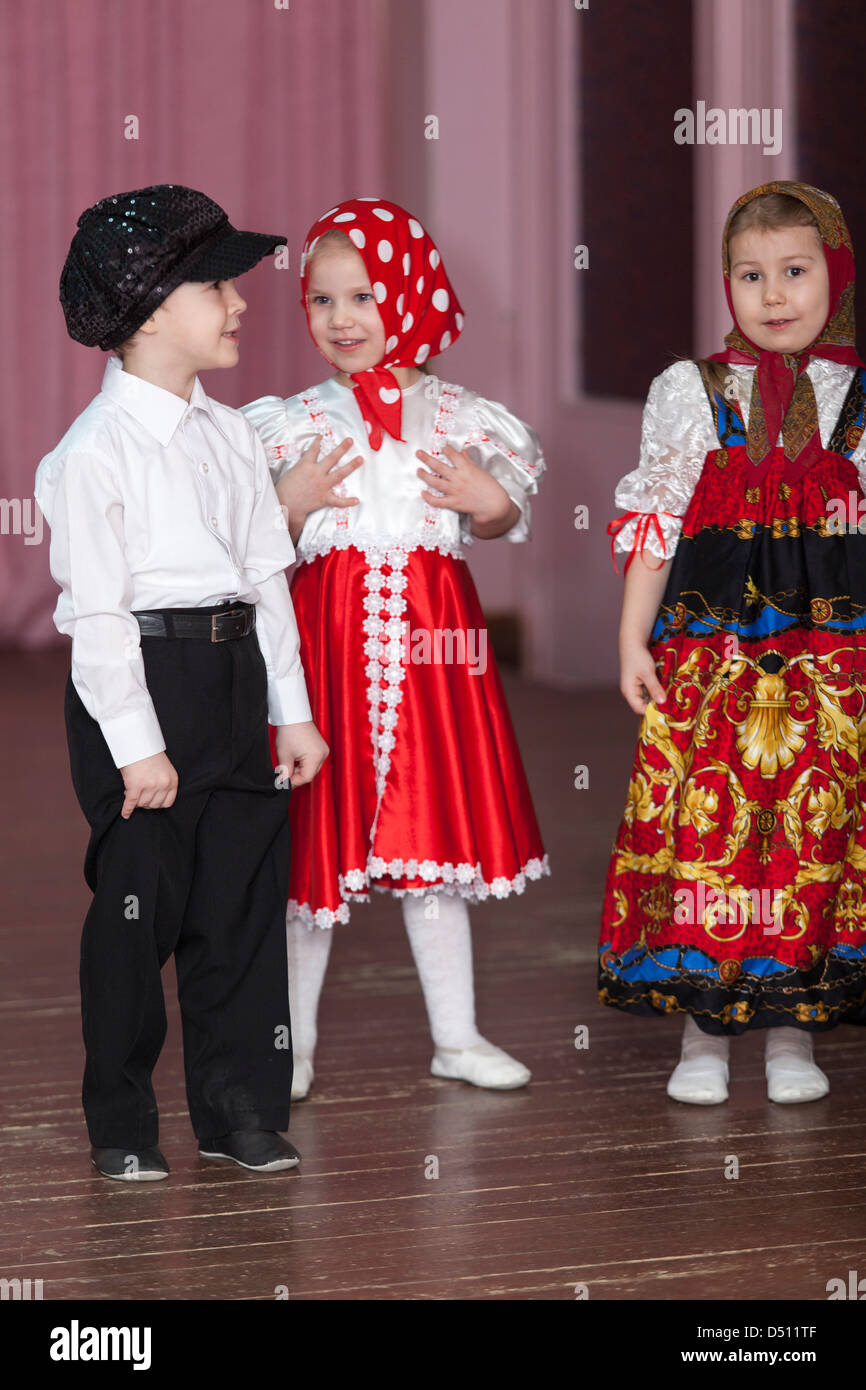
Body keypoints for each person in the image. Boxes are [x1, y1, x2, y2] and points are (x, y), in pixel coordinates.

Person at [34, 185, 328, 1180]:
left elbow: (262, 576)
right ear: (156, 307)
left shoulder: (231, 434)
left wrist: (290, 709)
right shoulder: (90, 455)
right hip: (144, 684)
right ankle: (122, 1123)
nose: (242, 302)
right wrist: (136, 744)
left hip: (233, 671)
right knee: (135, 911)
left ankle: (239, 1107)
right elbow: (98, 615)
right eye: (220, 286)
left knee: (241, 904)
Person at [242, 196, 548, 1099]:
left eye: (364, 297)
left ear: (410, 296)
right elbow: (259, 543)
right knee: (312, 852)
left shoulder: (462, 417)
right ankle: (287, 1045)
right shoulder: (292, 421)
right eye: (323, 301)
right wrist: (291, 500)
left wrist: (484, 499)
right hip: (326, 646)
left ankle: (456, 1036)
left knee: (433, 843)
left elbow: (502, 519)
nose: (342, 320)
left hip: (433, 650)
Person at [600, 180, 866, 1105]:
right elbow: (656, 524)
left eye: (796, 272)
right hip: (711, 655)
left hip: (833, 659)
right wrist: (634, 640)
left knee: (809, 838)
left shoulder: (856, 398)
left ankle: (792, 1030)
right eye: (751, 275)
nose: (775, 295)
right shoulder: (691, 390)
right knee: (705, 832)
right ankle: (704, 1035)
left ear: (835, 274)